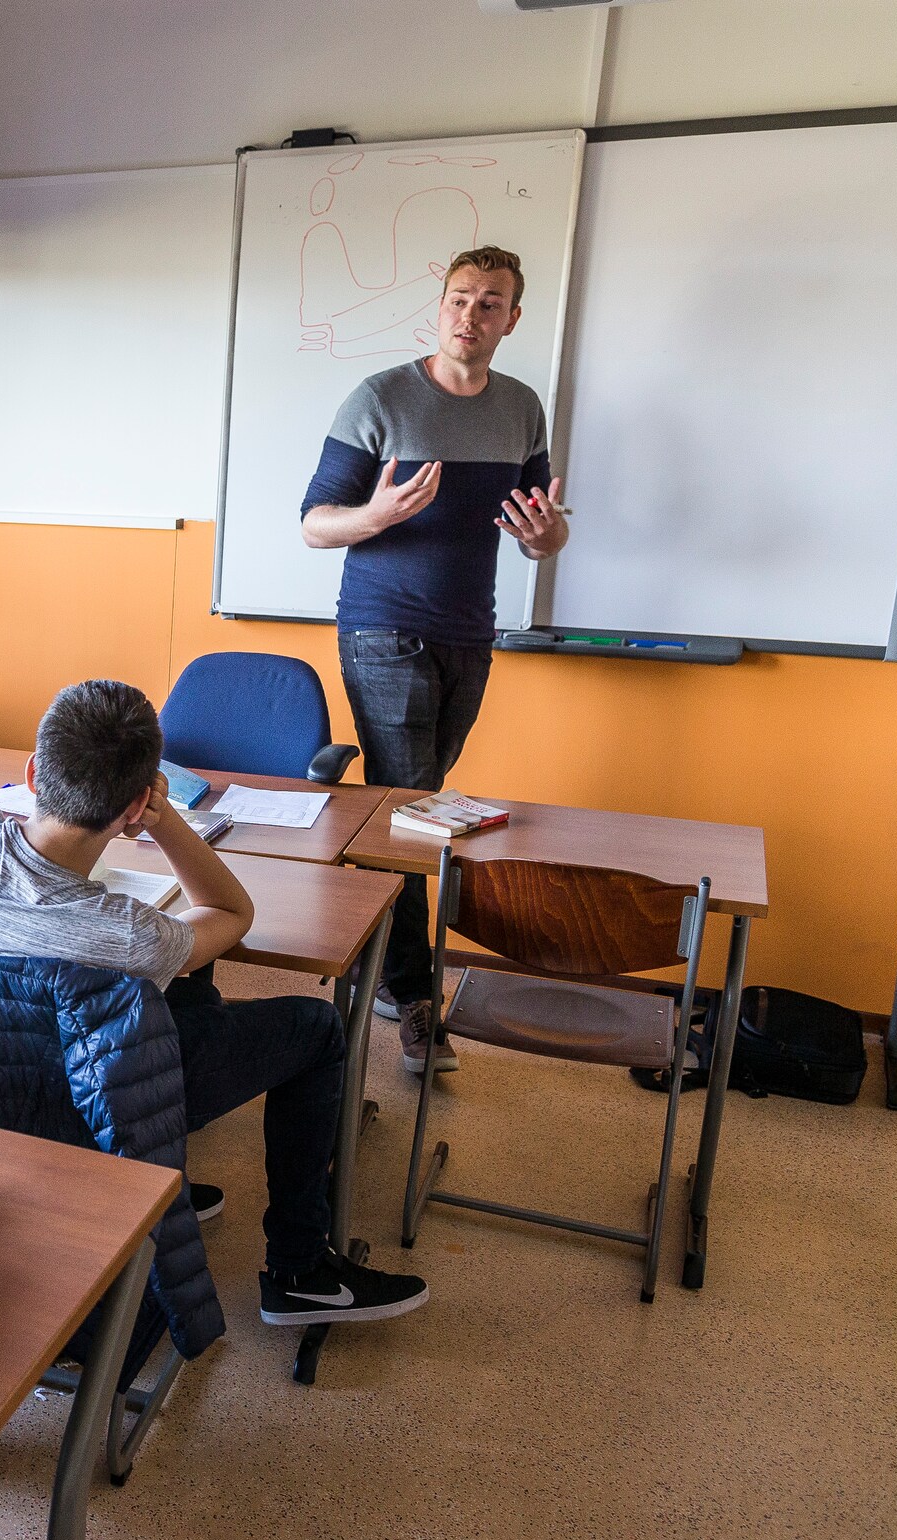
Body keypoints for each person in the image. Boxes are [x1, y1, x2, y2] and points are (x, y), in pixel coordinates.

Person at [0, 678, 427, 1328]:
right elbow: (231, 911)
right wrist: (166, 818)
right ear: (134, 806)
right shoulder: (129, 934)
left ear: (33, 773)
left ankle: (164, 1183)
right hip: (86, 1111)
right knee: (316, 1026)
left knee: (186, 983)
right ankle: (300, 1269)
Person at [299, 245, 571, 1075]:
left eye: (491, 303)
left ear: (512, 319)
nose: (471, 314)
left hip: (469, 633)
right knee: (414, 809)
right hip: (382, 629)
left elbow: (543, 527)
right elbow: (314, 522)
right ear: (439, 306)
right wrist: (375, 513)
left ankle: (374, 951)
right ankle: (413, 998)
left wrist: (547, 538)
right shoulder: (380, 397)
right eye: (460, 298)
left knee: (413, 801)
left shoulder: (521, 407)